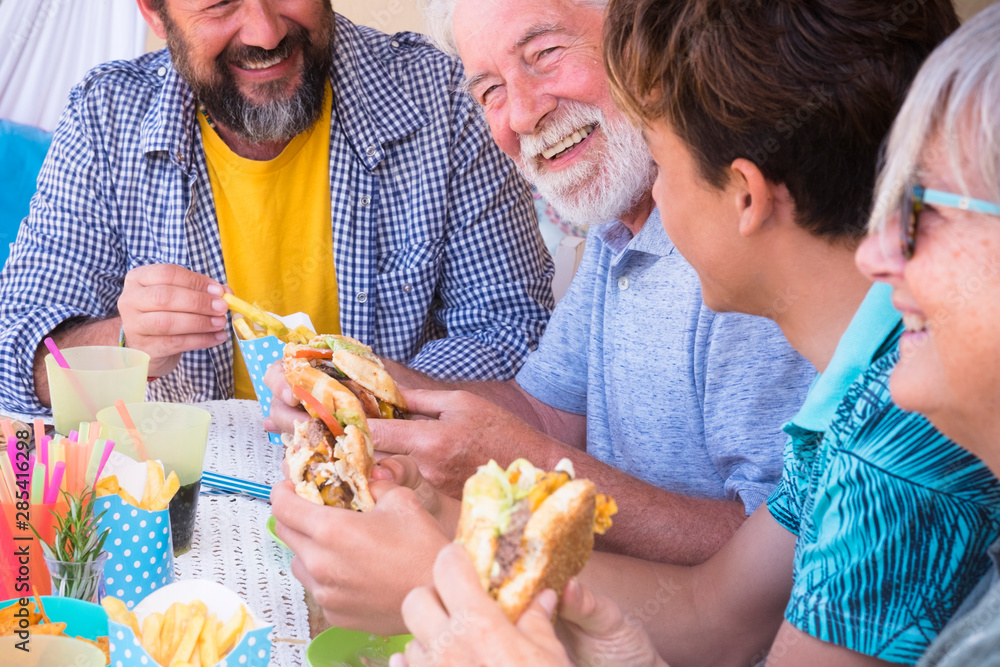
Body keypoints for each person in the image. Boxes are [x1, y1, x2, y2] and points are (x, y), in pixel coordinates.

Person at [391, 1, 1000, 665]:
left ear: (745, 193)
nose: (886, 258)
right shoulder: (858, 399)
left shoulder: (899, 436)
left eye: (922, 210)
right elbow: (713, 609)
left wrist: (440, 570)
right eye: (489, 89)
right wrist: (456, 549)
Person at [269, 0, 816, 579]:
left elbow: (782, 562)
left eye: (545, 55)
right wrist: (383, 387)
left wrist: (538, 474)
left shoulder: (741, 251)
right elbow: (545, 413)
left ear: (642, 44)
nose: (523, 115)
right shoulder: (617, 224)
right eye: (490, 92)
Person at [0, 0, 554, 415]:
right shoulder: (105, 116)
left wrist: (358, 391)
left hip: (396, 494)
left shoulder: (443, 99)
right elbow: (14, 353)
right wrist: (123, 344)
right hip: (184, 514)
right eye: (220, 2)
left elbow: (517, 338)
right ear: (155, 11)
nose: (265, 31)